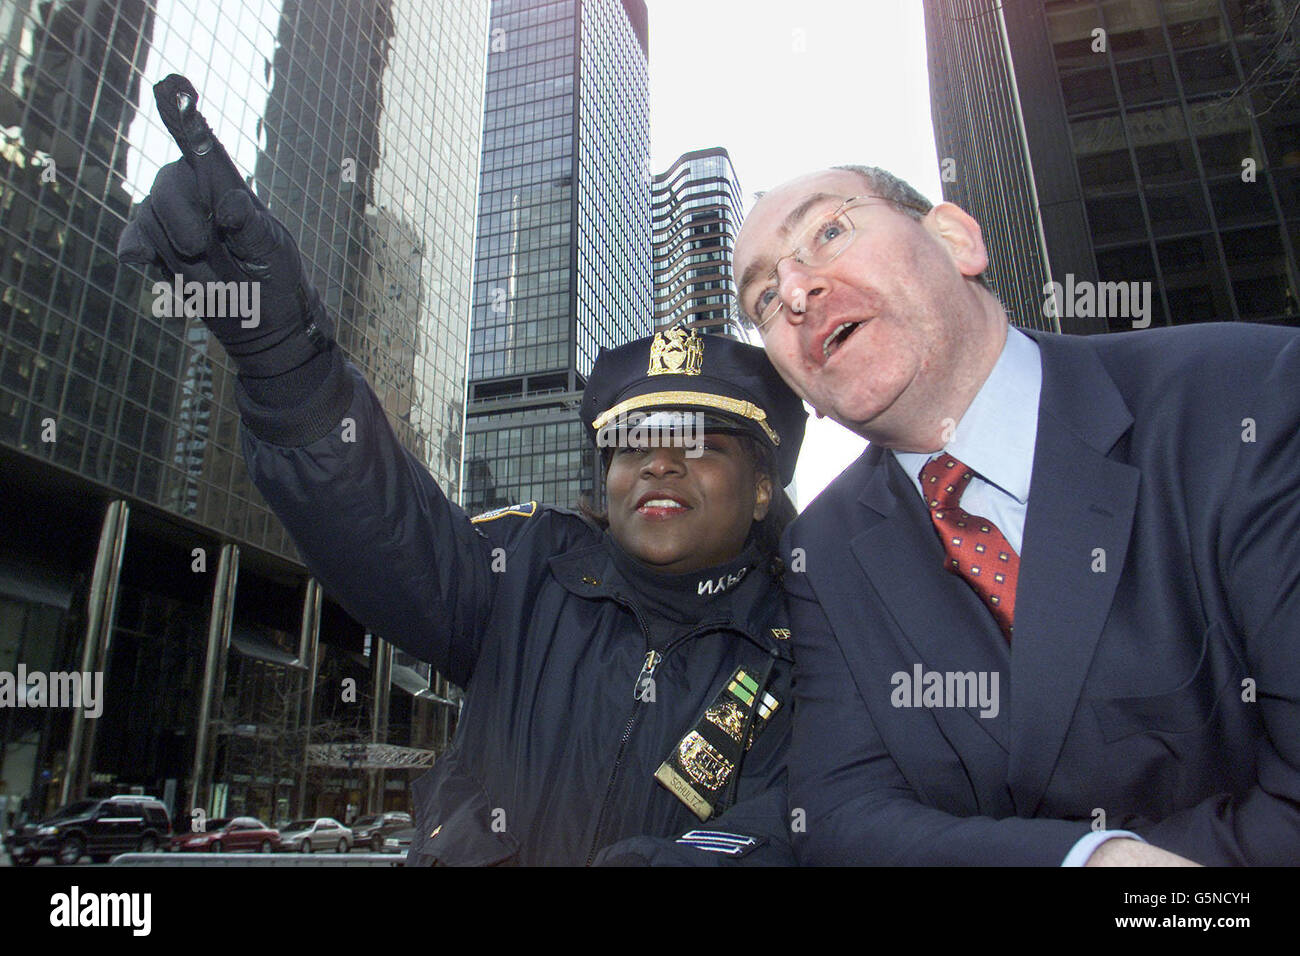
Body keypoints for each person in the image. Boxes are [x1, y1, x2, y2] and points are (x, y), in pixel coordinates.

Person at [116, 76, 806, 865]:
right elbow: (384, 531)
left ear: (762, 487)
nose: (657, 461)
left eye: (698, 443)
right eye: (631, 442)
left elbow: (801, 830)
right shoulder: (528, 570)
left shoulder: (814, 647)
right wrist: (282, 355)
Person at [732, 163, 1300, 866]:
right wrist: (1084, 859)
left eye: (828, 232)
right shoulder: (823, 550)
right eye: (762, 298)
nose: (794, 292)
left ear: (956, 241)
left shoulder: (1245, 396)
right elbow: (842, 819)